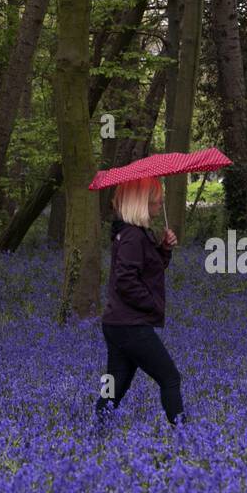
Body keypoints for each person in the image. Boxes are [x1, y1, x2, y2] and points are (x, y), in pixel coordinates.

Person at [96, 177, 186, 424]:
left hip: (116, 323)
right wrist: (152, 304)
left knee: (114, 382)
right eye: (156, 200)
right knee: (169, 377)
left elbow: (147, 271)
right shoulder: (133, 236)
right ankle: (186, 437)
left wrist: (164, 249)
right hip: (130, 325)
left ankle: (96, 430)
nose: (160, 204)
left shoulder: (132, 233)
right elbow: (125, 280)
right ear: (141, 202)